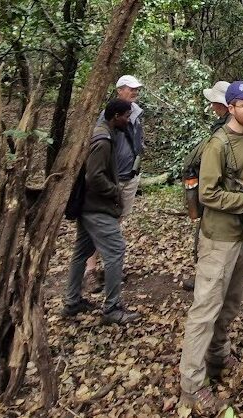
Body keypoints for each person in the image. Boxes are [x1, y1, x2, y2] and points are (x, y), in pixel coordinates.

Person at [178, 81, 243, 412]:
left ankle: (217, 354)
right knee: (205, 311)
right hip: (217, 239)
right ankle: (191, 384)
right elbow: (208, 194)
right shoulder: (216, 146)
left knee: (230, 303)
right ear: (230, 107)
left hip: (240, 234)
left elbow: (241, 181)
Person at [62, 99, 141, 325]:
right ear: (116, 116)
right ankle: (112, 308)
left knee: (81, 252)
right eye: (126, 116)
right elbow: (94, 176)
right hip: (96, 207)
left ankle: (72, 302)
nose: (128, 120)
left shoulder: (103, 133)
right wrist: (114, 191)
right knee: (116, 250)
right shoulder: (103, 140)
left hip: (88, 206)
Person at [86, 75, 146, 292]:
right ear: (120, 90)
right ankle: (90, 269)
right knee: (102, 223)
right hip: (112, 178)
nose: (135, 93)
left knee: (117, 221)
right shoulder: (109, 116)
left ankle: (110, 266)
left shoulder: (136, 113)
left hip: (130, 175)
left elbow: (137, 137)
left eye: (136, 90)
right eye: (131, 89)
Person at [182, 80, 232, 292]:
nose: (211, 106)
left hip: (219, 190)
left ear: (221, 105)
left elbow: (192, 162)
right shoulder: (233, 127)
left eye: (213, 102)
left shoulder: (225, 132)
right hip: (225, 189)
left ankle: (206, 279)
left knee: (209, 238)